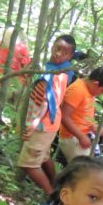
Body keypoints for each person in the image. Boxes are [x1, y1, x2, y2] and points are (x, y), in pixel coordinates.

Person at [19, 34, 77, 195]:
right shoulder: (53, 67)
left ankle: (51, 194)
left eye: (64, 52)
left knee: (28, 164)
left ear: (70, 56)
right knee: (43, 156)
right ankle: (56, 186)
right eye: (57, 48)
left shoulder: (60, 74)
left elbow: (48, 101)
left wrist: (33, 125)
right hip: (46, 124)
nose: (59, 53)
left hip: (43, 125)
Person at [59, 65, 103, 161]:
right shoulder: (78, 90)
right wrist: (81, 137)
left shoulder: (89, 91)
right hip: (73, 138)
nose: (101, 94)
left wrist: (97, 129)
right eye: (102, 91)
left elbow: (83, 118)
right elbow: (64, 117)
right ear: (96, 83)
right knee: (83, 172)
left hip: (84, 137)